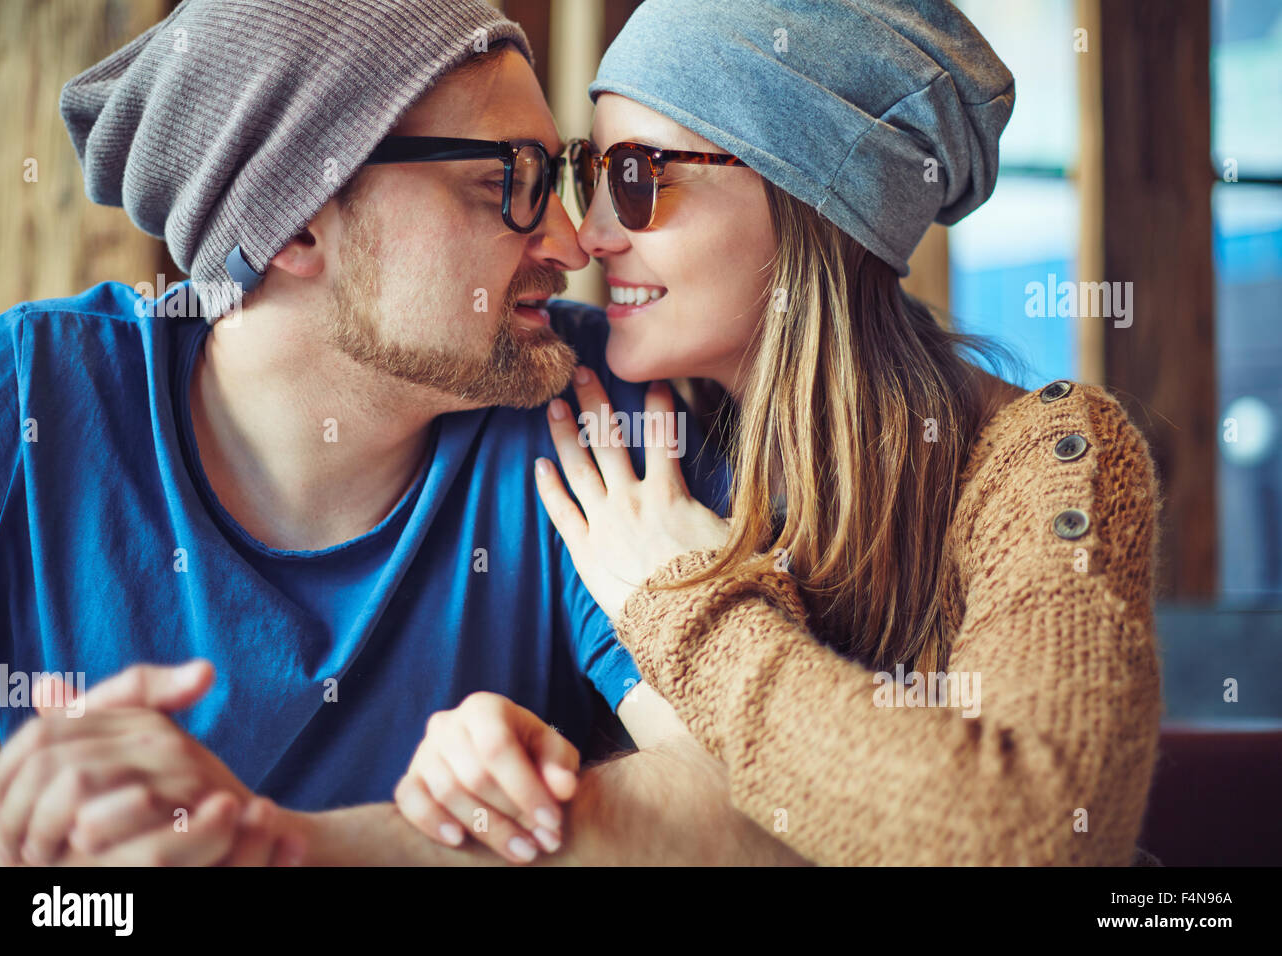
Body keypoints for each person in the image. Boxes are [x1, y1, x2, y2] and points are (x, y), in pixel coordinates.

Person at [0, 0, 808, 868]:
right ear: (298, 220)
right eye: (510, 182)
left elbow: (772, 809)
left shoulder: (590, 405)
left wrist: (297, 850)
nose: (571, 242)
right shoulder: (26, 403)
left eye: (553, 174)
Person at [400, 0, 1164, 866]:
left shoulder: (1050, 464)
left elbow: (1029, 837)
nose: (589, 234)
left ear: (813, 202)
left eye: (639, 178)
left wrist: (692, 605)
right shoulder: (622, 433)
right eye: (590, 171)